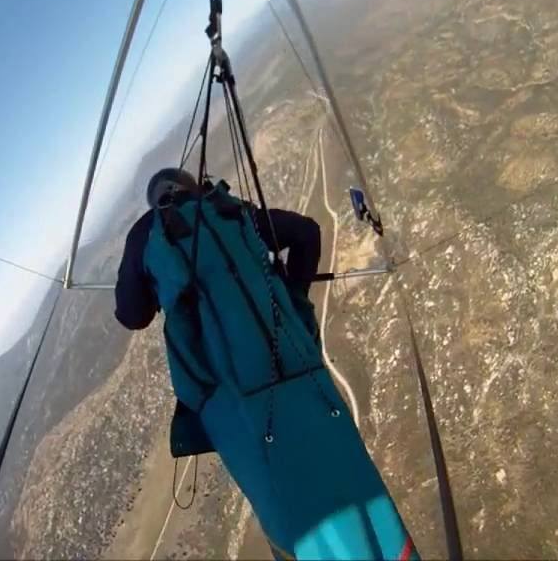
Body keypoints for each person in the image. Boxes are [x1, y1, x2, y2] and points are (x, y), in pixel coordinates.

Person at [115, 168, 417, 561]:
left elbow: (131, 315)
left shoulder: (148, 233)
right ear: (194, 186)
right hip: (298, 366)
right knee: (348, 478)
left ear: (155, 201)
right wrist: (294, 301)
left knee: (286, 513)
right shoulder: (230, 210)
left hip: (233, 402)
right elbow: (307, 233)